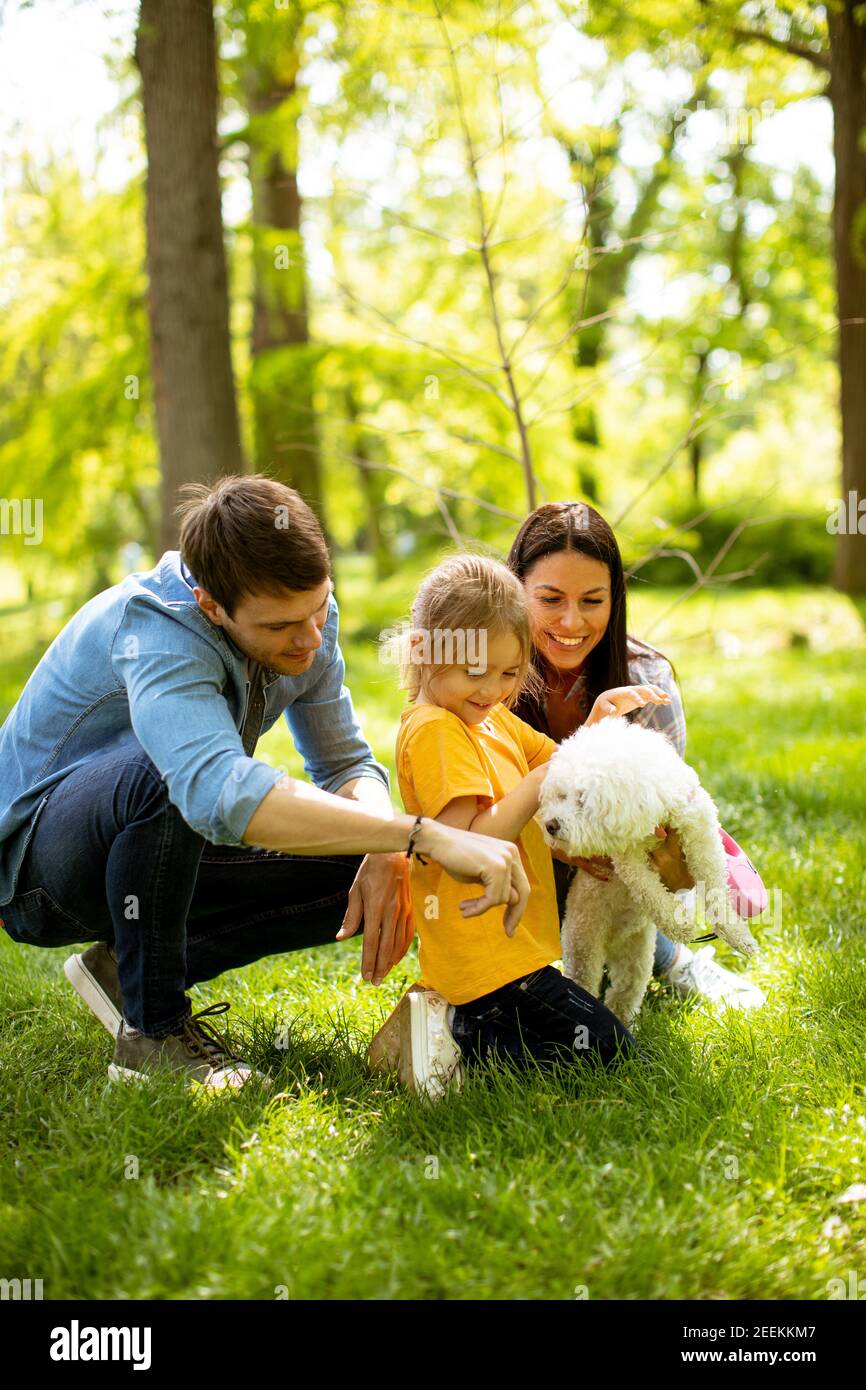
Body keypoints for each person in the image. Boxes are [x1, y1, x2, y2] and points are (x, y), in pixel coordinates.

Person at [0, 476, 530, 1090]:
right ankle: (154, 1033)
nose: (310, 638)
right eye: (281, 626)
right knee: (164, 773)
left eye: (318, 608)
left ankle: (130, 970)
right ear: (212, 608)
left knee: (359, 866)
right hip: (40, 873)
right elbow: (215, 787)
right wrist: (421, 834)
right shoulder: (156, 631)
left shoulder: (308, 617)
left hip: (161, 839)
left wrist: (387, 849)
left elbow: (345, 764)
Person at [372, 553, 674, 1096]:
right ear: (423, 651)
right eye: (476, 672)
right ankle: (455, 1040)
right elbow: (471, 844)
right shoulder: (436, 730)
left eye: (510, 673)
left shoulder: (489, 720)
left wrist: (598, 727)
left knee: (603, 1047)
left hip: (513, 961)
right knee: (610, 1053)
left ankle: (455, 1030)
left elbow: (559, 759)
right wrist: (540, 782)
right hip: (488, 971)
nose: (492, 689)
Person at [507, 500, 766, 1010]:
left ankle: (671, 959)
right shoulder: (488, 677)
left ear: (616, 598)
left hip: (618, 871)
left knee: (631, 881)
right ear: (515, 593)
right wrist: (548, 843)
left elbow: (665, 821)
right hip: (516, 861)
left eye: (592, 600)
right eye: (550, 598)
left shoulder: (646, 682)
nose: (571, 620)